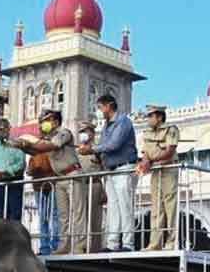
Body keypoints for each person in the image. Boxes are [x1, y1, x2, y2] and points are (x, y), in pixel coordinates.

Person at [13, 109, 81, 255]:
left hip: (72, 174)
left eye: (47, 120)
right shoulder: (49, 138)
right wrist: (24, 147)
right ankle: (63, 246)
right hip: (59, 178)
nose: (44, 124)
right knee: (63, 216)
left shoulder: (64, 133)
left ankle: (79, 246)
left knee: (77, 212)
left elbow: (49, 146)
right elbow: (37, 152)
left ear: (56, 122)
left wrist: (29, 140)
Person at [79, 94, 138, 252]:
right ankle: (112, 243)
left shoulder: (123, 122)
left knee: (125, 206)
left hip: (124, 168)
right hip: (111, 170)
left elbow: (114, 144)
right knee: (113, 207)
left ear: (109, 106)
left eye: (100, 107)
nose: (99, 111)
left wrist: (91, 149)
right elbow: (103, 146)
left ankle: (128, 243)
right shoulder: (106, 126)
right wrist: (94, 152)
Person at [137, 104, 179, 250]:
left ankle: (171, 241)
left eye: (150, 116)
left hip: (168, 169)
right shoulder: (147, 133)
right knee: (156, 207)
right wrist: (144, 162)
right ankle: (155, 243)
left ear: (159, 117)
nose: (148, 119)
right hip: (155, 172)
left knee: (170, 206)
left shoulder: (171, 129)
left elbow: (169, 151)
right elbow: (145, 154)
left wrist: (151, 161)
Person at [73, 121, 106, 253]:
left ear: (92, 133)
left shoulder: (97, 150)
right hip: (80, 186)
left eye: (86, 131)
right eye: (81, 131)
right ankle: (80, 247)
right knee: (79, 218)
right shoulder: (76, 151)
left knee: (95, 219)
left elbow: (105, 169)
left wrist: (104, 190)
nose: (83, 134)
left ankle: (95, 249)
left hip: (95, 185)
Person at [0, 118, 26, 222]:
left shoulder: (16, 143)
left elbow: (21, 164)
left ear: (7, 129)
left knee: (14, 214)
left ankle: (13, 237)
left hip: (14, 182)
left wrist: (5, 172)